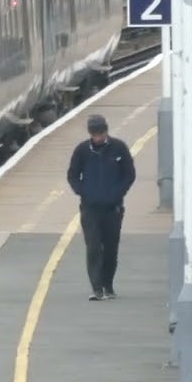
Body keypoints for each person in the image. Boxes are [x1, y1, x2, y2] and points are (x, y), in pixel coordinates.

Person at [65, 114, 137, 301]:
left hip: (113, 208)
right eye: (95, 134)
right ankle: (96, 288)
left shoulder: (119, 148)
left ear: (106, 131)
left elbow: (129, 175)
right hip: (90, 209)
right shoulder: (82, 151)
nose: (98, 138)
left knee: (111, 248)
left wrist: (117, 193)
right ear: (90, 134)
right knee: (94, 247)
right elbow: (72, 175)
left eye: (101, 133)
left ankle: (108, 285)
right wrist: (83, 192)